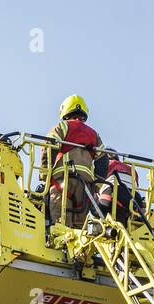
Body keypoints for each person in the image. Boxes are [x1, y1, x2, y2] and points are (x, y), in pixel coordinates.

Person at [42, 94, 102, 228]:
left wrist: (44, 175)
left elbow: (49, 145)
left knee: (60, 225)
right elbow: (103, 159)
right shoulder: (94, 134)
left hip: (63, 182)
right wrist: (97, 185)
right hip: (85, 188)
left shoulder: (63, 126)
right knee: (79, 230)